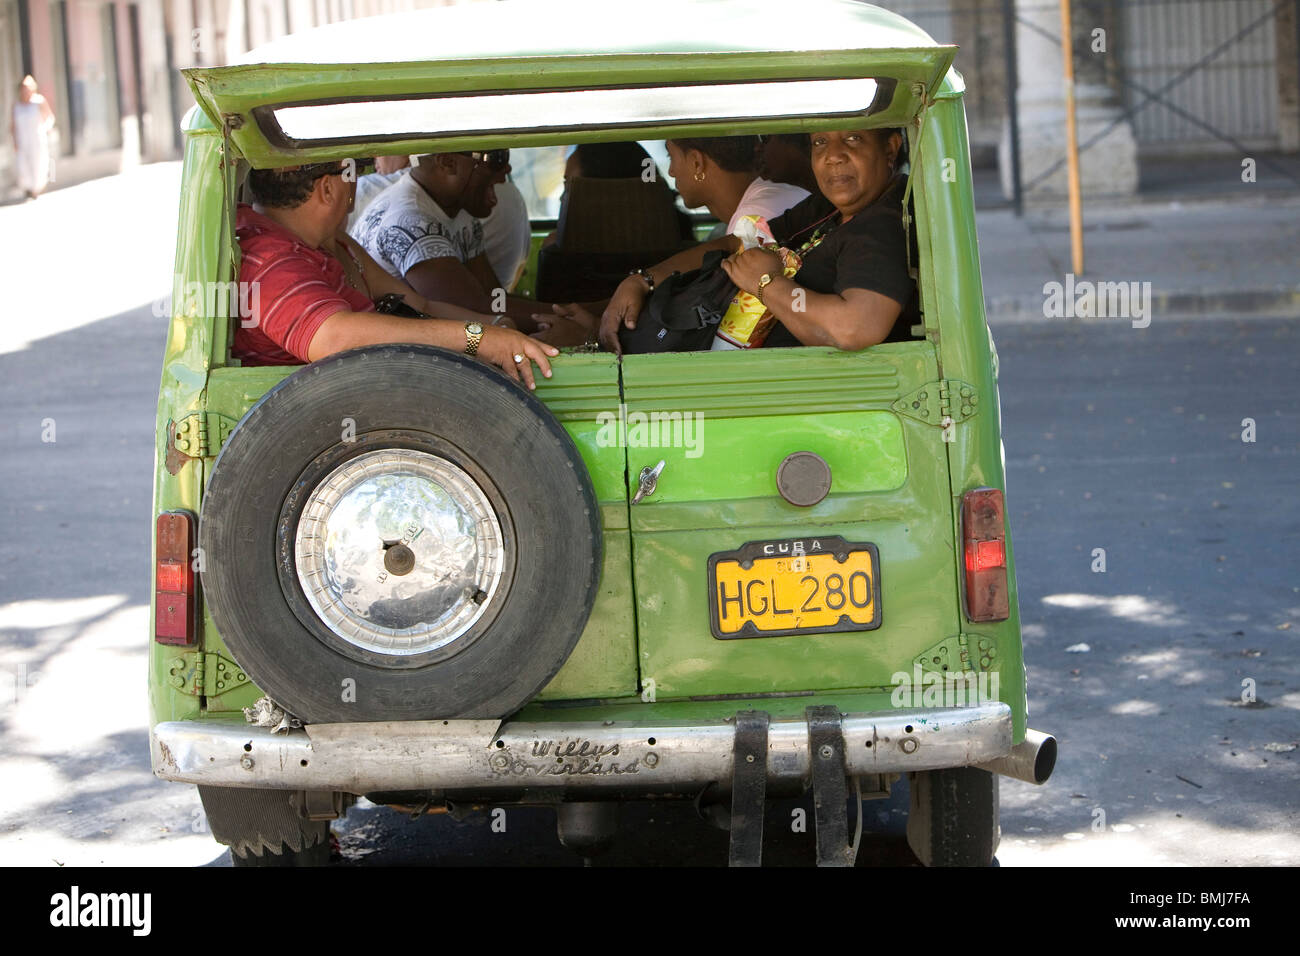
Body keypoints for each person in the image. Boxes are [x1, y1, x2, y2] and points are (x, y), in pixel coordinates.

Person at [586, 128, 916, 353]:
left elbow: (854, 328)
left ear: (890, 148)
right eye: (819, 143)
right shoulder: (829, 209)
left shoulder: (880, 226)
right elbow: (738, 242)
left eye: (853, 139)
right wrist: (644, 280)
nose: (833, 156)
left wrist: (766, 283)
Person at [234, 161, 557, 389]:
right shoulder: (271, 260)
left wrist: (494, 326)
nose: (356, 183)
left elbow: (421, 307)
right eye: (354, 172)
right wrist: (476, 339)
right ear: (328, 188)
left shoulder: (334, 243)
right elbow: (333, 337)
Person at [351, 148, 592, 344]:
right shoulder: (409, 220)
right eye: (496, 158)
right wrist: (577, 317)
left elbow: (492, 298)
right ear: (447, 162)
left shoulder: (458, 211)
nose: (507, 168)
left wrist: (575, 313)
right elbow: (472, 308)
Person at [665, 135, 808, 236]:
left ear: (697, 162)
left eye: (671, 157)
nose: (671, 172)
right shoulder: (772, 198)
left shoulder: (753, 216)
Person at [11, 76, 55, 200]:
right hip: (22, 140)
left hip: (37, 139)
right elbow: (13, 125)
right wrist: (14, 141)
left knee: (38, 164)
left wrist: (46, 129)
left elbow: (50, 118)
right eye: (23, 89)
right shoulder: (16, 105)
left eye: (28, 88)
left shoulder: (39, 101)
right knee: (23, 166)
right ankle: (28, 188)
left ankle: (35, 190)